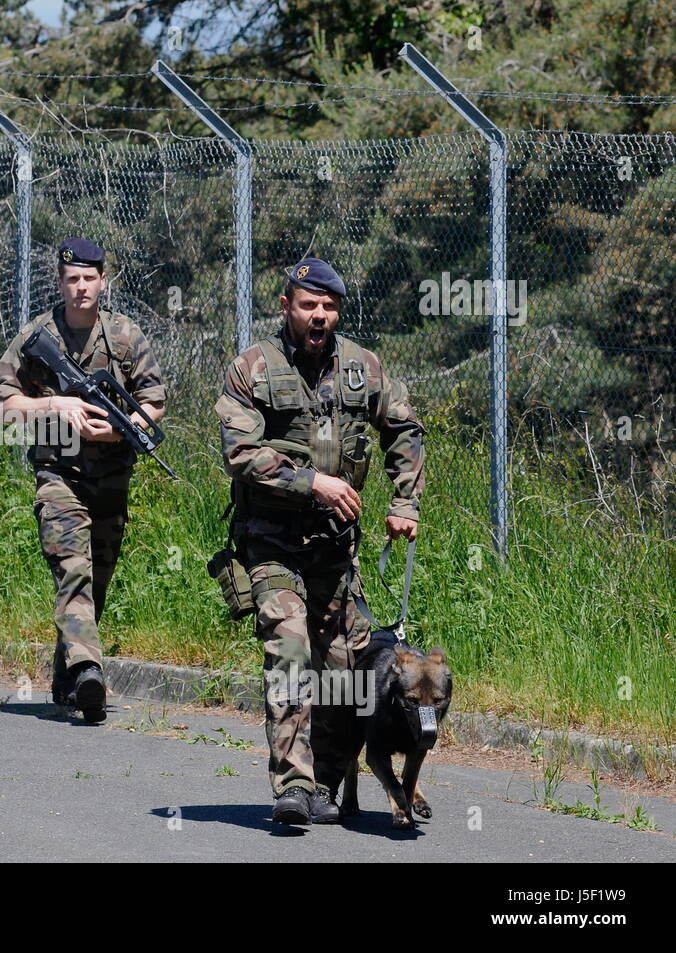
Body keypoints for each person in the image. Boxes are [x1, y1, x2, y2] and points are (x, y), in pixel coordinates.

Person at [214, 257, 424, 825]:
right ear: (286, 307)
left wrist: (404, 501)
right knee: (289, 652)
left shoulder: (363, 367)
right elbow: (240, 454)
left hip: (336, 550)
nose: (320, 316)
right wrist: (313, 483)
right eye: (309, 305)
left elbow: (403, 430)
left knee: (342, 669)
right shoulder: (253, 369)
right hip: (272, 543)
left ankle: (328, 784)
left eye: (329, 307)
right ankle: (291, 785)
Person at [0, 238, 167, 722]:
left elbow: (154, 403)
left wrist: (118, 428)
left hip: (112, 480)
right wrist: (56, 405)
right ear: (60, 283)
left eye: (89, 278)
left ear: (103, 282)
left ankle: (66, 677)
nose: (81, 287)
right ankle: (90, 671)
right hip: (59, 476)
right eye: (72, 279)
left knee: (94, 583)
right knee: (72, 568)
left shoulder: (125, 337)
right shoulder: (37, 335)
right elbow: (4, 407)